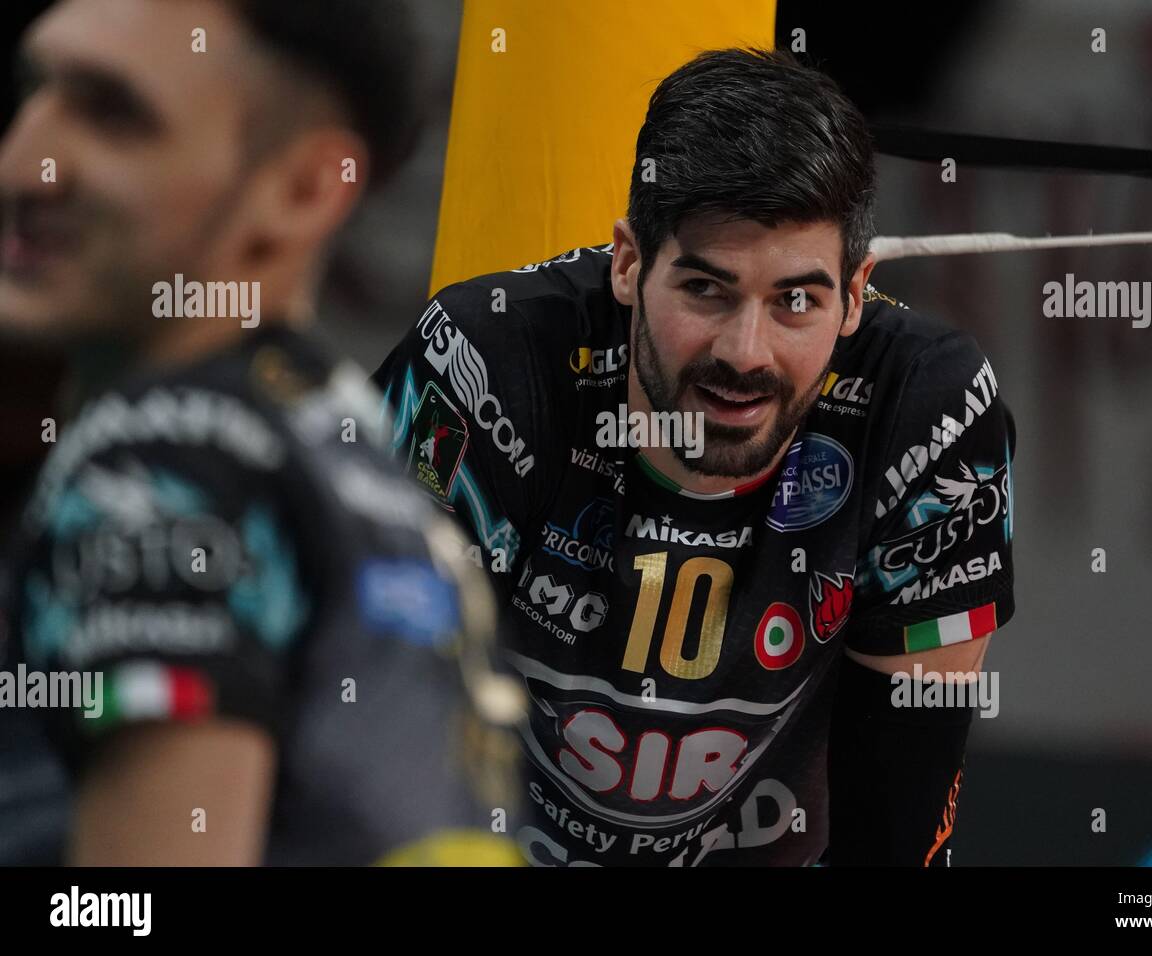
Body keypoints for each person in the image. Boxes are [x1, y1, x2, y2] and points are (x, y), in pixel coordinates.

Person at [374, 47, 1016, 866]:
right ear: (630, 263)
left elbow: (896, 830)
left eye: (795, 300)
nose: (745, 354)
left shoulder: (927, 409)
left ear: (855, 296)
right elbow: (363, 732)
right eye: (705, 289)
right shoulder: (486, 365)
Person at [0, 0, 520, 865]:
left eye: (113, 115)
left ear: (304, 189)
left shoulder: (164, 459)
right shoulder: (337, 437)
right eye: (35, 93)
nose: (24, 166)